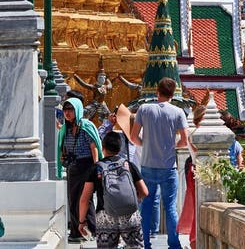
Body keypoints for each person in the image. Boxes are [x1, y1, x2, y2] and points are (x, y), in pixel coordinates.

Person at [130, 78, 188, 249]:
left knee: (146, 207)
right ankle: (174, 244)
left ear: (157, 91)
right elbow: (184, 141)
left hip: (147, 165)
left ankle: (145, 244)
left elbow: (133, 137)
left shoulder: (144, 109)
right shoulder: (178, 112)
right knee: (170, 208)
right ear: (173, 94)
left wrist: (145, 144)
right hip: (168, 167)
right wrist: (172, 146)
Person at [78, 130, 148, 249]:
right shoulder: (128, 165)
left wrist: (81, 222)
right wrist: (130, 200)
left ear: (103, 148)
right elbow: (145, 192)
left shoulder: (96, 168)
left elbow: (84, 199)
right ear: (119, 149)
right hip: (129, 214)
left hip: (105, 216)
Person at [56, 96, 103, 243]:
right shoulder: (66, 129)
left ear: (77, 110)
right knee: (73, 199)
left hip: (87, 166)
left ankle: (91, 229)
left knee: (85, 199)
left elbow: (94, 147)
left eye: (70, 109)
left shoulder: (86, 126)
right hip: (73, 167)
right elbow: (63, 147)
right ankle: (76, 232)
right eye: (65, 109)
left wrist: (96, 167)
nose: (67, 112)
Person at [177, 105, 206, 249]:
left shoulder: (196, 133)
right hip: (198, 172)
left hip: (199, 172)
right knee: (197, 208)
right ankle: (194, 240)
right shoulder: (195, 134)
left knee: (199, 208)